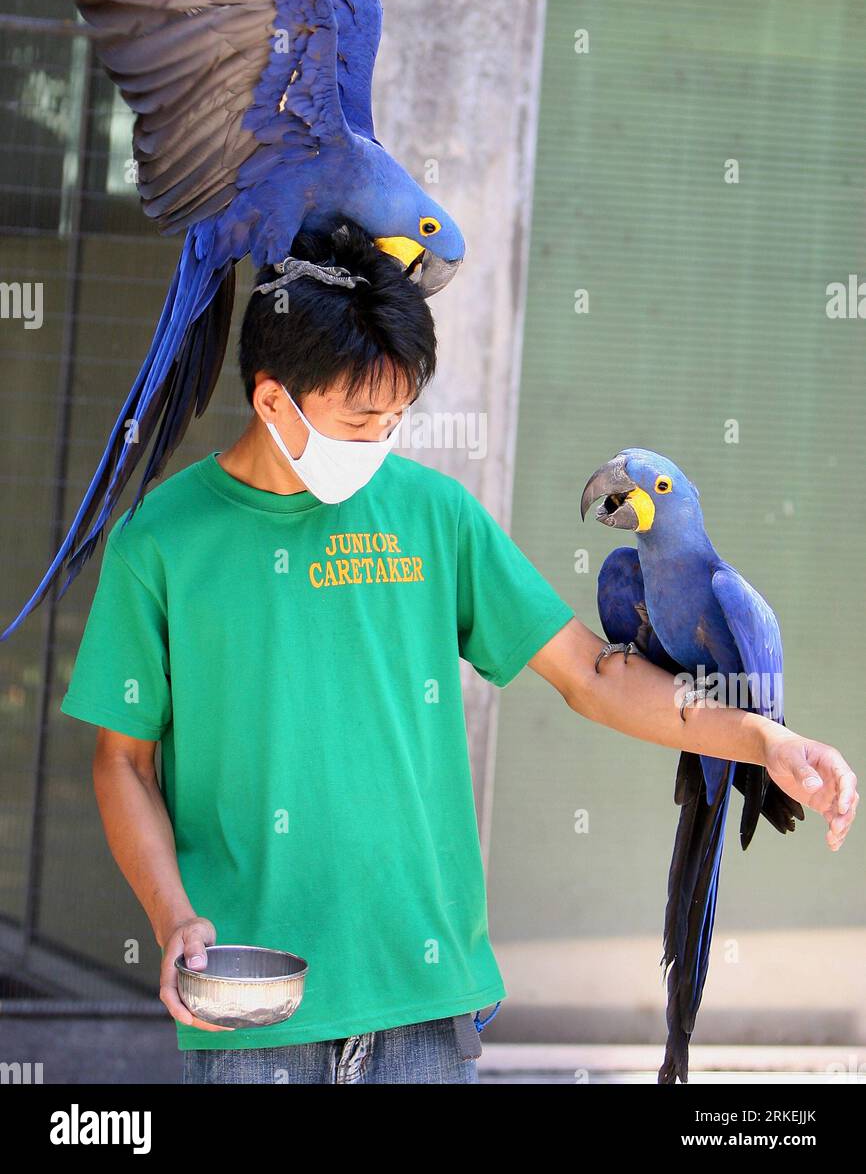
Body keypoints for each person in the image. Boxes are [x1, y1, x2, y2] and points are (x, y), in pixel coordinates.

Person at [60, 220, 858, 1085]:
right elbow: (122, 764)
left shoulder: (437, 515)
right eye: (360, 418)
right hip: (256, 1006)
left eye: (399, 416)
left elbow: (594, 675)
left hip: (428, 1003)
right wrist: (172, 915)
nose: (381, 440)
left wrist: (766, 741)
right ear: (271, 401)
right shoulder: (161, 545)